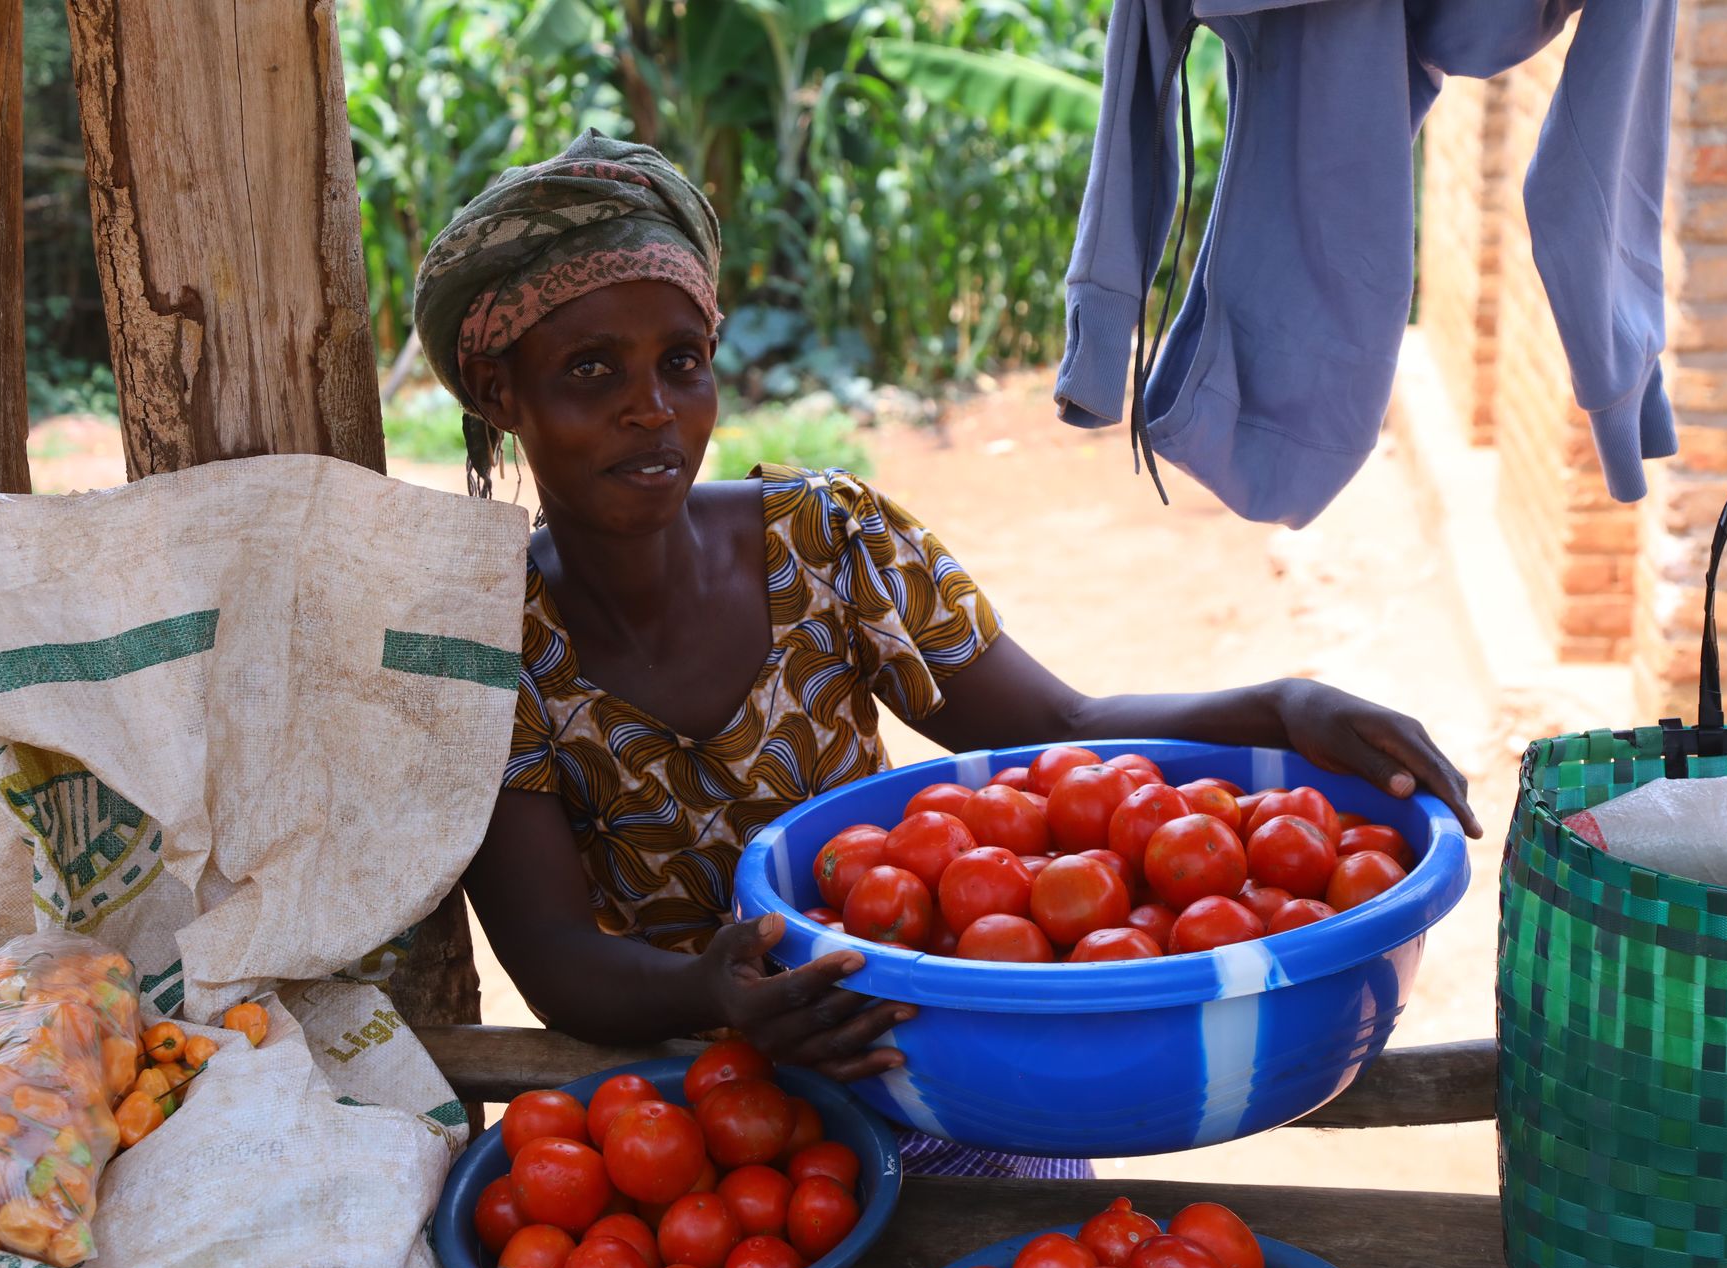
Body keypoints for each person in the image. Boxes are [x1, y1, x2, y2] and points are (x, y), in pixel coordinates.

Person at [415, 130, 1481, 1177]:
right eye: (591, 370)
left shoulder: (828, 541)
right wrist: (711, 991)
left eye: (682, 362)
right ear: (501, 394)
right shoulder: (488, 643)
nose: (651, 409)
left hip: (936, 1063)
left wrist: (1281, 706)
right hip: (705, 1132)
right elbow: (555, 954)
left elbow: (1057, 729)